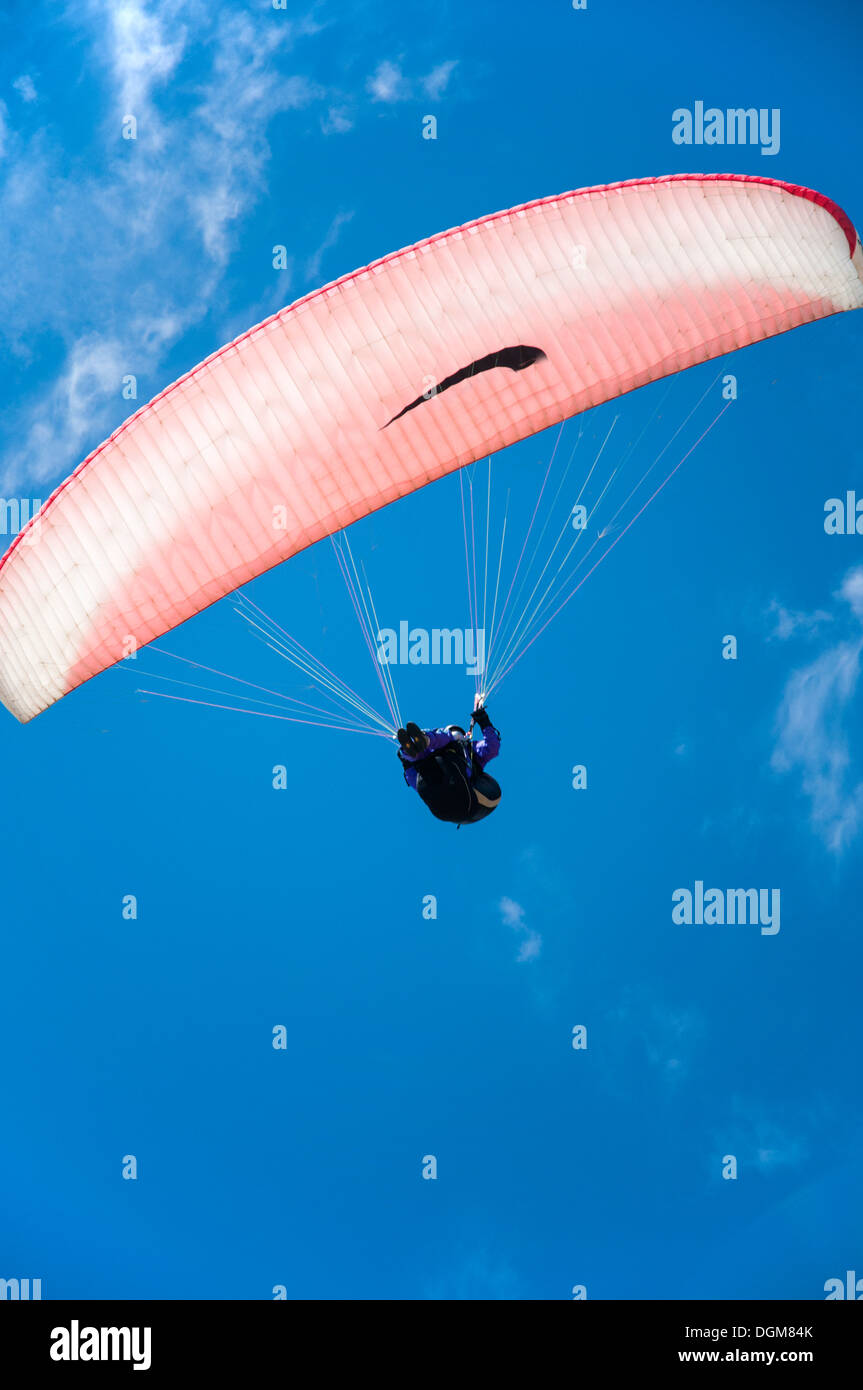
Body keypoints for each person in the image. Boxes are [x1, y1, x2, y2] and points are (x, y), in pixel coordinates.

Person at [396, 694, 502, 825]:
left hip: (461, 801)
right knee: (428, 759)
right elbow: (493, 747)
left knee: (433, 754)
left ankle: (422, 743)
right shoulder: (467, 759)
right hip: (452, 802)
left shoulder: (472, 753)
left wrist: (482, 719)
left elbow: (491, 746)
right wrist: (483, 720)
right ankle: (416, 747)